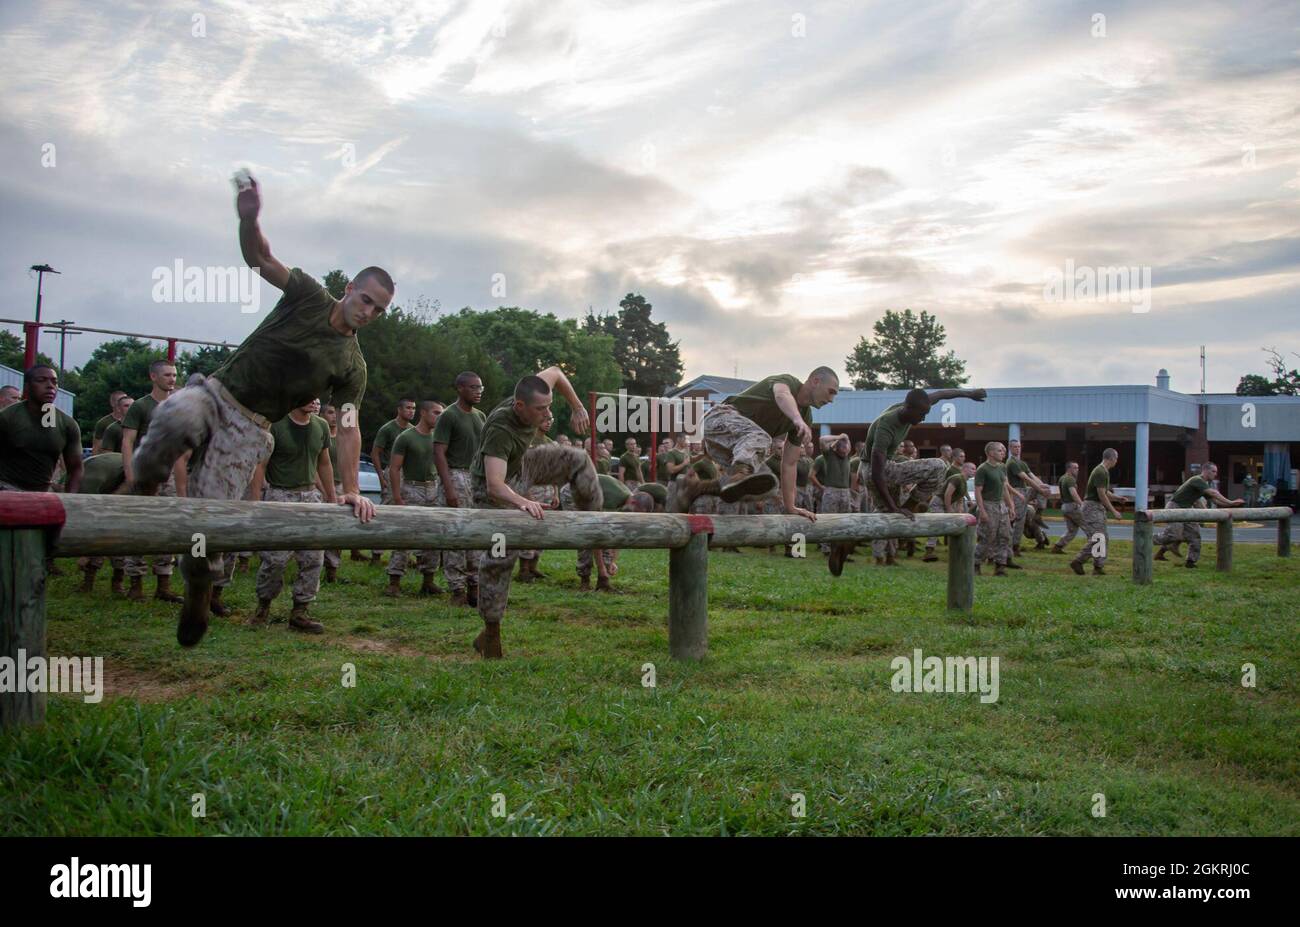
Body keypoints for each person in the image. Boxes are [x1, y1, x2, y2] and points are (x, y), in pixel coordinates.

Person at [131, 171, 383, 647]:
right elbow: (260, 258)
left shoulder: (352, 365)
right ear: (350, 288)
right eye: (366, 300)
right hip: (215, 393)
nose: (368, 312)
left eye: (378, 310)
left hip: (248, 429)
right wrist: (249, 218)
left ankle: (199, 592)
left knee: (208, 526)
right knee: (175, 418)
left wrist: (352, 489)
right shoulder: (309, 294)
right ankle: (142, 497)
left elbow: (348, 428)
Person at [471, 367, 598, 659]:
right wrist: (522, 501)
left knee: (578, 459)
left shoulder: (533, 396)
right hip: (492, 489)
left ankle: (595, 526)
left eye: (549, 406)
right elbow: (493, 486)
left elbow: (555, 371)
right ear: (519, 407)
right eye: (540, 409)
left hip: (520, 469)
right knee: (501, 555)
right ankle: (491, 632)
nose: (546, 414)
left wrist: (577, 407)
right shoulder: (501, 430)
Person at [695, 368, 839, 519]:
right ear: (815, 381)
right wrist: (796, 419)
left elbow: (790, 464)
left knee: (767, 483)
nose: (831, 400)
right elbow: (781, 395)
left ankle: (695, 489)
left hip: (727, 447)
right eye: (831, 392)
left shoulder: (806, 417)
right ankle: (740, 474)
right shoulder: (787, 382)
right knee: (762, 439)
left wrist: (791, 507)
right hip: (718, 419)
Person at [247, 400, 335, 632]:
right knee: (275, 559)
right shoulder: (276, 425)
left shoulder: (321, 426)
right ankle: (263, 606)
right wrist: (256, 503)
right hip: (280, 497)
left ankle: (300, 611)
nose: (314, 401)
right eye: (309, 395)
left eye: (317, 396)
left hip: (310, 498)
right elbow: (260, 466)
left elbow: (324, 463)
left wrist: (332, 499)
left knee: (314, 558)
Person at [121, 360, 185, 604]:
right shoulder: (140, 406)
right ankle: (135, 584)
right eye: (167, 375)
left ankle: (164, 585)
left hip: (168, 474)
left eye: (174, 375)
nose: (171, 379)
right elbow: (127, 441)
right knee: (138, 527)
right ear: (153, 377)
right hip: (144, 473)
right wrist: (130, 474)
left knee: (167, 528)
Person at [433, 372, 487, 607]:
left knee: (475, 534)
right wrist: (449, 488)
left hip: (476, 477)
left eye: (480, 387)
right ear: (460, 389)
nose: (478, 391)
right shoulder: (449, 416)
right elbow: (439, 453)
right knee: (457, 534)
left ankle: (475, 586)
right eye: (473, 387)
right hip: (456, 475)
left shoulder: (480, 416)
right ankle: (457, 588)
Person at [385, 400, 445, 596]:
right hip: (412, 488)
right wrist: (397, 497)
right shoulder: (406, 437)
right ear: (424, 413)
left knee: (433, 537)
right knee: (405, 536)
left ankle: (428, 580)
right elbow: (394, 468)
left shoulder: (438, 438)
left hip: (433, 488)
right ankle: (394, 581)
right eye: (436, 413)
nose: (439, 417)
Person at [0, 366, 83, 495]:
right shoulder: (7, 417)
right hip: (7, 489)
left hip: (43, 492)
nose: (50, 386)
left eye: (54, 382)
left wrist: (70, 498)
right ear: (27, 387)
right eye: (41, 380)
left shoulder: (67, 424)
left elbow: (76, 468)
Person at [1154, 463, 1244, 567]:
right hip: (1175, 507)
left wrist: (1232, 505)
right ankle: (1146, 539)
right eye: (1213, 471)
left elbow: (1215, 500)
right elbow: (1214, 494)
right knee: (1173, 535)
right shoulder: (1197, 480)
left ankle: (1190, 562)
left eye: (1216, 472)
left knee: (1194, 535)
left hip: (1188, 509)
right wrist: (1231, 502)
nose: (1215, 474)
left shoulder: (1205, 484)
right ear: (1205, 471)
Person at [75, 451, 129, 594]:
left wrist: (85, 554)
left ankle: (117, 583)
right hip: (111, 481)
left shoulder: (87, 486)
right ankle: (88, 583)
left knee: (117, 540)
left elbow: (93, 520)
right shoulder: (77, 479)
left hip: (126, 485)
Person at [1069, 449, 1124, 576]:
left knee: (1102, 538)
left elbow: (1104, 491)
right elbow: (1101, 495)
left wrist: (1117, 498)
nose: (1116, 461)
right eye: (1116, 458)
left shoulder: (1103, 471)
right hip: (1092, 508)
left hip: (1096, 508)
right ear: (1112, 458)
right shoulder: (1100, 472)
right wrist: (1114, 511)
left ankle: (1098, 567)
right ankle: (1078, 561)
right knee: (1098, 538)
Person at [973, 442, 1016, 576]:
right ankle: (975, 563)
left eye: (1003, 450)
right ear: (991, 453)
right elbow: (978, 491)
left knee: (1004, 536)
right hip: (988, 504)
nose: (1002, 453)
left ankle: (1000, 566)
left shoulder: (1002, 467)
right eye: (999, 451)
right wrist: (982, 511)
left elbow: (1004, 488)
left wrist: (1010, 506)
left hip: (1000, 505)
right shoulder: (983, 469)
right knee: (986, 537)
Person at [1005, 440, 1051, 557]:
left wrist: (1044, 489)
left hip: (1025, 491)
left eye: (1019, 447)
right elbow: (1025, 478)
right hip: (1016, 492)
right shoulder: (1011, 463)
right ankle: (1015, 547)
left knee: (1044, 485)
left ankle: (1038, 514)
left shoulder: (1022, 463)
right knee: (1019, 521)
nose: (1017, 449)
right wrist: (1041, 490)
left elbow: (1033, 477)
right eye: (1015, 447)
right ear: (1010, 448)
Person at [925, 460, 974, 562]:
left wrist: (959, 510)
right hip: (938, 502)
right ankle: (929, 551)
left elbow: (960, 497)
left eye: (975, 469)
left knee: (955, 525)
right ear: (965, 469)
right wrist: (949, 509)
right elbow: (948, 494)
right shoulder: (957, 478)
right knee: (936, 524)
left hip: (949, 503)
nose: (975, 471)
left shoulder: (964, 481)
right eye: (972, 469)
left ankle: (955, 549)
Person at [1050, 462, 1084, 554]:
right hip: (1072, 506)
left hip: (1065, 506)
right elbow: (1073, 493)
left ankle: (1058, 546)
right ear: (1069, 469)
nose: (1077, 470)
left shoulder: (1062, 478)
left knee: (1072, 530)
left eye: (1078, 468)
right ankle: (1093, 549)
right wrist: (1082, 504)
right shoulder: (1070, 479)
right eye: (1075, 468)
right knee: (1088, 526)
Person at [91, 390, 127, 454]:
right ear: (112, 403)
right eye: (120, 400)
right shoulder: (103, 423)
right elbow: (96, 447)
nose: (123, 402)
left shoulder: (134, 421)